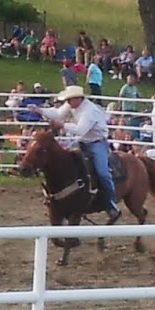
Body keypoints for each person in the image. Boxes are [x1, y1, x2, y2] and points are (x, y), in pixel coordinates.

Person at [39, 84, 120, 219]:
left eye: (69, 100)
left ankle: (111, 204)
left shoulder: (90, 111)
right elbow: (58, 113)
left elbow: (80, 129)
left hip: (97, 143)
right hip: (83, 141)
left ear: (77, 99)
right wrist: (39, 110)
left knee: (102, 172)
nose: (67, 103)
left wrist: (62, 125)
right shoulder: (73, 105)